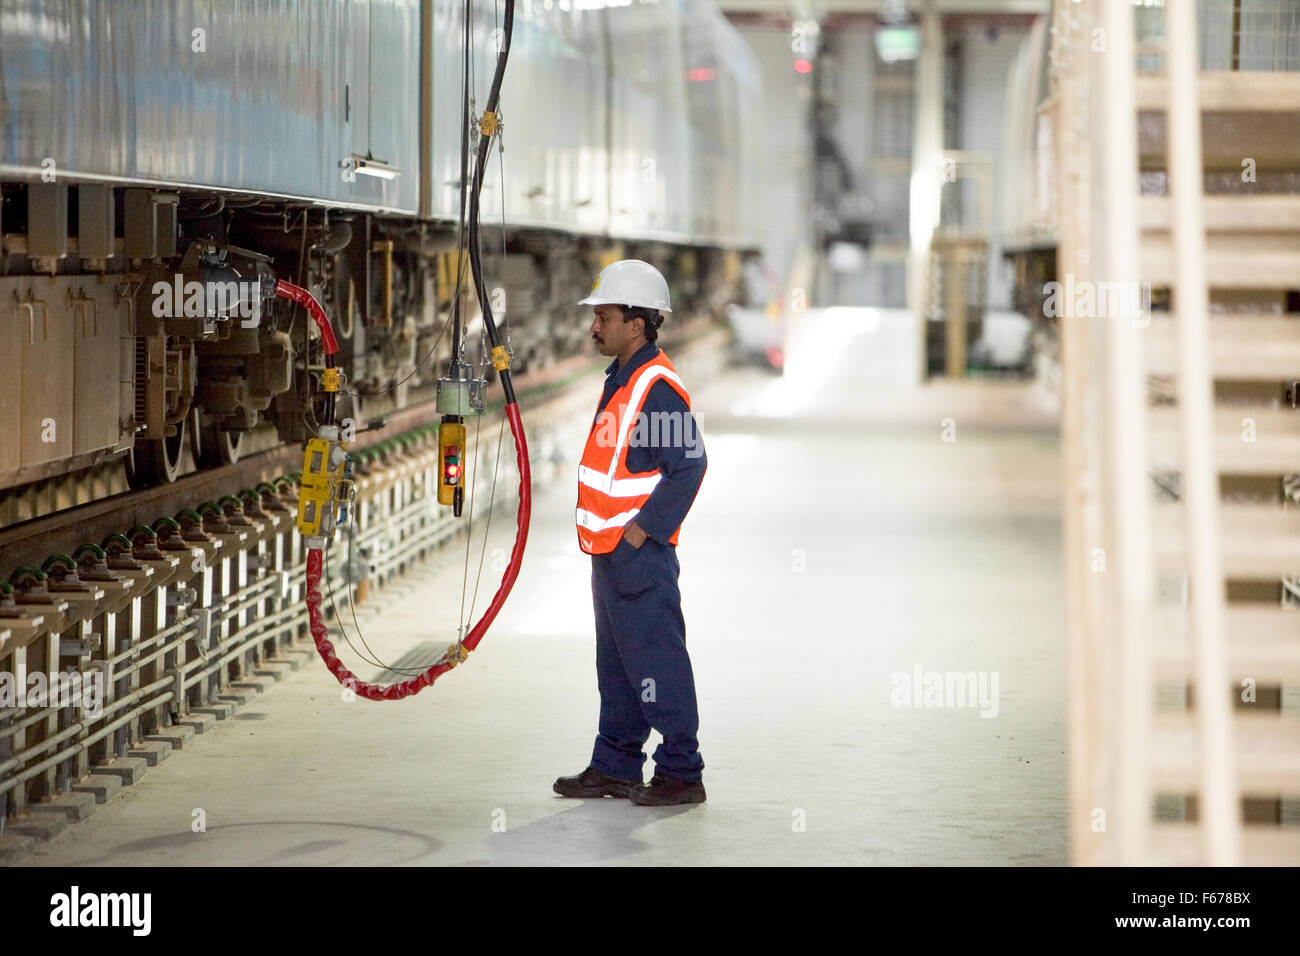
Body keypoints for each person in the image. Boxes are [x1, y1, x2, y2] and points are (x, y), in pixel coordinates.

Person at [553, 259, 709, 806]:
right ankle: (616, 764)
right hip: (609, 552)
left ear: (636, 323)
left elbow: (689, 464)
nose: (594, 326)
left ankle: (681, 773)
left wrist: (643, 530)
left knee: (657, 661)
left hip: (637, 554)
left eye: (604, 316)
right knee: (617, 665)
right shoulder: (623, 376)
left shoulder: (655, 387)